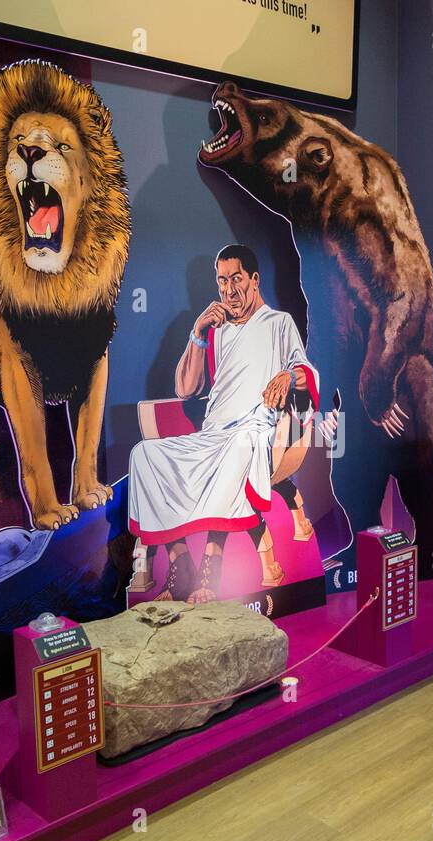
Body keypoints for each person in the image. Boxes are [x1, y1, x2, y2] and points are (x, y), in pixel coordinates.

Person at [128, 244, 319, 602]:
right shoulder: (216, 331)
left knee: (238, 447)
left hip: (255, 434)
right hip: (214, 434)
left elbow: (306, 372)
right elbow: (185, 388)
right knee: (144, 456)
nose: (229, 290)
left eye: (236, 279)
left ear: (254, 280)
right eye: (222, 282)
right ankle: (180, 562)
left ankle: (211, 568)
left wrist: (289, 376)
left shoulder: (279, 323)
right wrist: (197, 331)